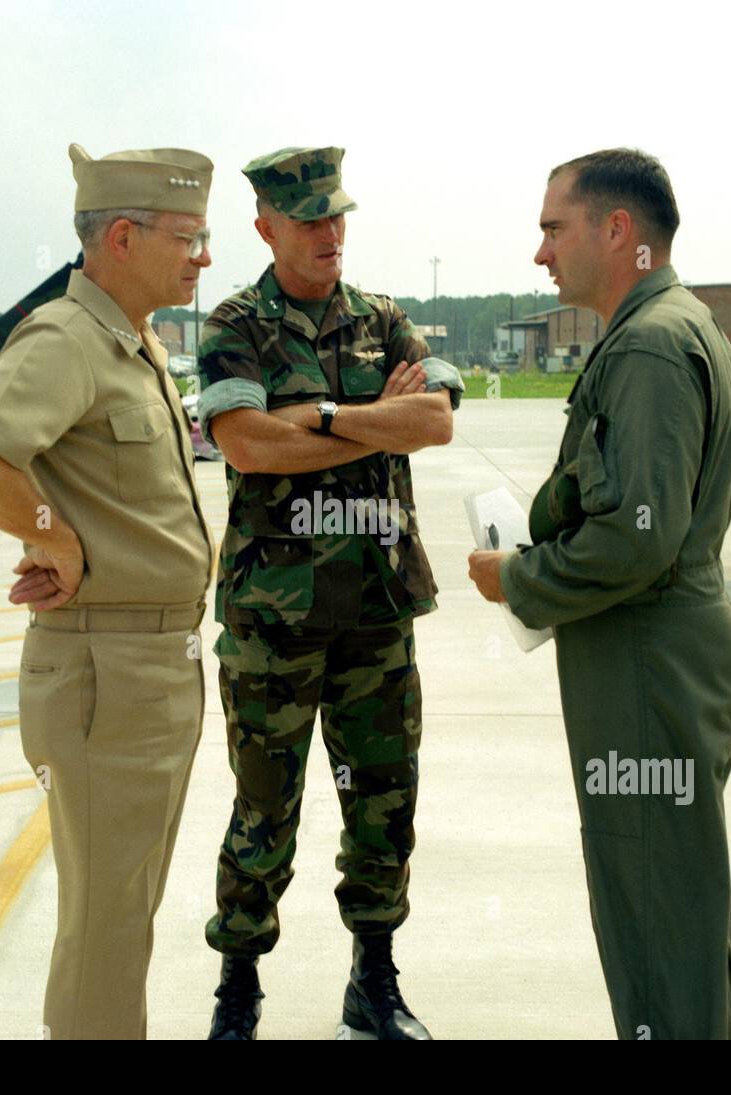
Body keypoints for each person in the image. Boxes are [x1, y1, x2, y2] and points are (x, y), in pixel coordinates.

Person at [468, 148, 731, 1040]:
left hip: (646, 664)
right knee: (666, 900)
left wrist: (519, 578)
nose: (541, 253)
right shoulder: (673, 326)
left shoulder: (652, 346)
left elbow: (639, 536)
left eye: (555, 227)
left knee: (658, 912)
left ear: (617, 230)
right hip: (652, 658)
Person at [0, 143, 216, 1040]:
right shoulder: (66, 337)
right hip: (109, 673)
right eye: (190, 236)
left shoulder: (129, 343)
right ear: (124, 237)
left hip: (147, 668)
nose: (203, 256)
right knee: (105, 922)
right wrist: (52, 538)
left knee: (121, 915)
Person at [197, 145, 462, 1040]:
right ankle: (238, 992)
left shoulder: (385, 319)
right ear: (266, 227)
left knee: (386, 802)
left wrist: (318, 416)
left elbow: (434, 420)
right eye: (309, 219)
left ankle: (374, 983)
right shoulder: (235, 324)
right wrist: (368, 429)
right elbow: (247, 446)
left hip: (378, 615)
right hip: (274, 619)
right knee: (263, 807)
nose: (329, 233)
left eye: (337, 215)